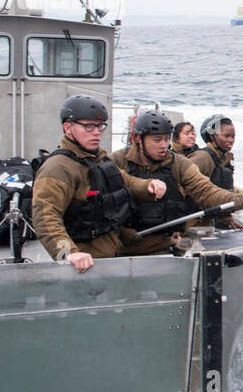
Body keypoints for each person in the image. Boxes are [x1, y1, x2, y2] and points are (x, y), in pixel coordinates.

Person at [31, 94, 167, 274]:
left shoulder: (98, 158)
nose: (96, 132)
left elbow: (125, 180)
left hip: (111, 250)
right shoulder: (58, 169)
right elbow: (45, 217)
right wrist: (69, 253)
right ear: (68, 127)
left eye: (100, 126)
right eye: (88, 126)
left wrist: (148, 185)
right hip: (85, 263)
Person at [112, 111, 243, 255]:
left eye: (167, 139)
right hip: (120, 245)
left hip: (161, 244)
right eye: (157, 140)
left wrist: (233, 199)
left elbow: (205, 190)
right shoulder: (117, 161)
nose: (164, 145)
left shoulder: (179, 163)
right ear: (138, 138)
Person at [188, 114, 243, 228]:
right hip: (195, 223)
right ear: (212, 136)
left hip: (214, 222)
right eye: (226, 136)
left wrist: (227, 219)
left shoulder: (226, 158)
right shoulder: (203, 158)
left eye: (233, 136)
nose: (231, 140)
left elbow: (223, 186)